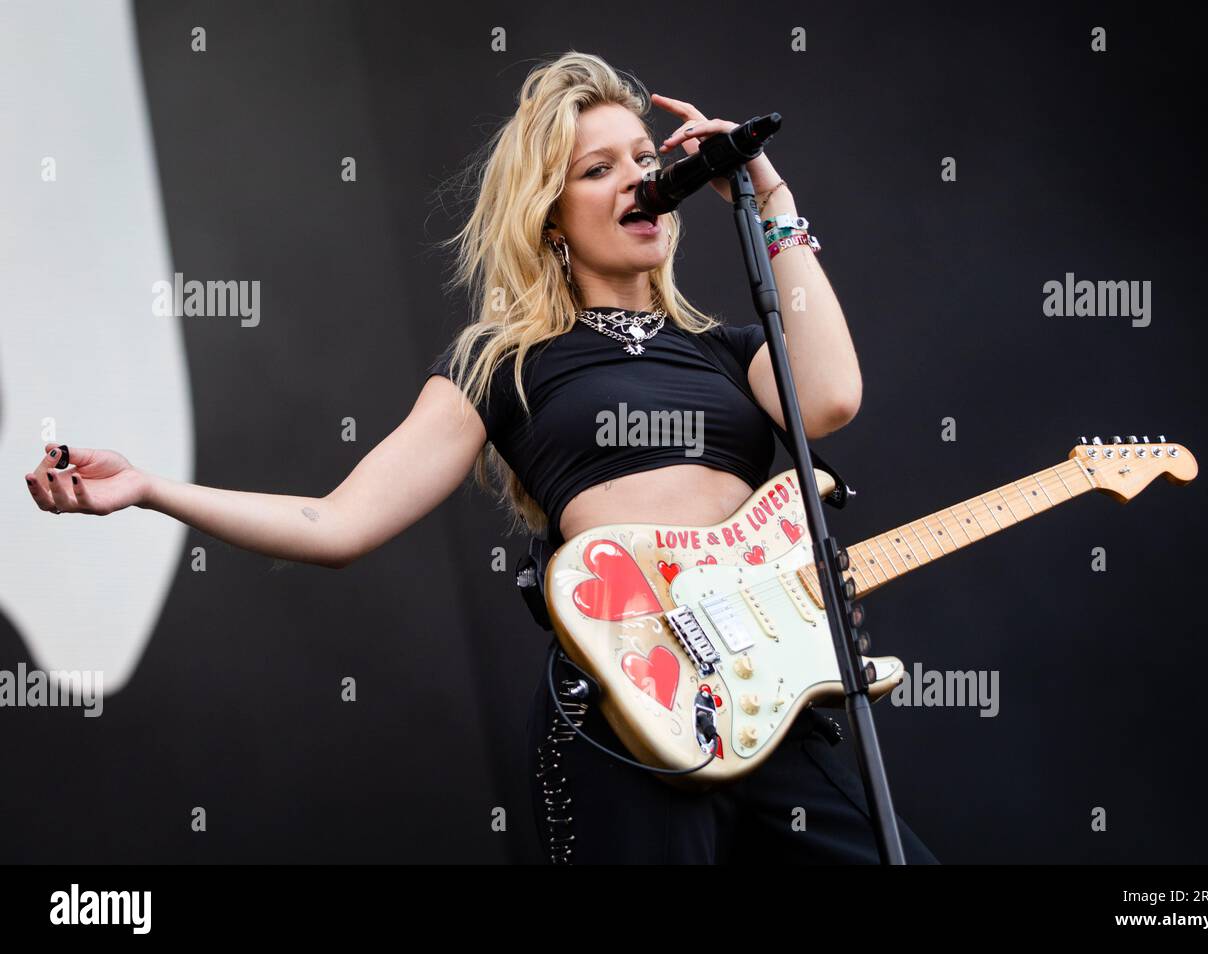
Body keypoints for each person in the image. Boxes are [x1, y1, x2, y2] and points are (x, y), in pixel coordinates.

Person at [24, 51, 936, 866]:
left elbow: (829, 399)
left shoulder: (728, 350)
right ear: (549, 213)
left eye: (649, 163)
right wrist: (150, 489)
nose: (642, 181)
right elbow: (336, 522)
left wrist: (771, 203)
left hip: (768, 705)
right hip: (623, 708)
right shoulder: (502, 362)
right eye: (600, 168)